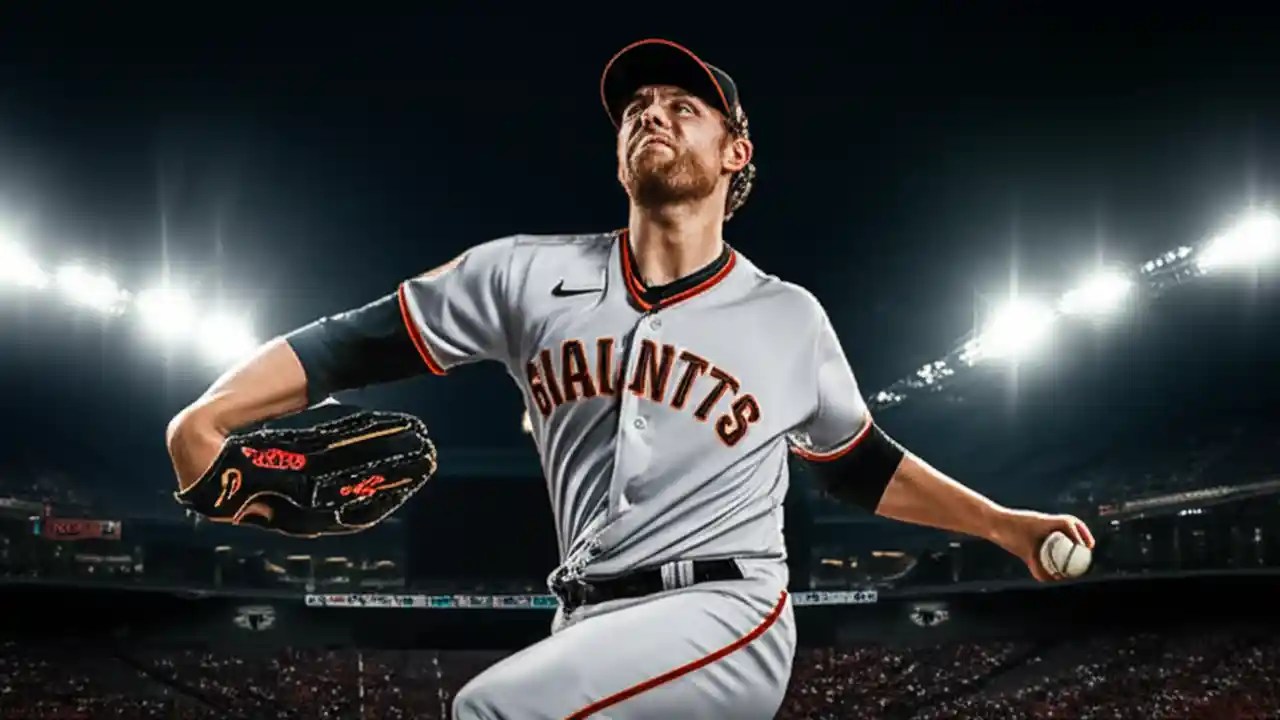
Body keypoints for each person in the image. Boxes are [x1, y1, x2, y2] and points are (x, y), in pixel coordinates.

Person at [166, 38, 1095, 720]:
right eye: (636, 107)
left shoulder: (788, 317)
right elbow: (351, 345)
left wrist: (1005, 527)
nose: (651, 111)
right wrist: (208, 417)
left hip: (727, 611)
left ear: (736, 154)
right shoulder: (523, 276)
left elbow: (859, 464)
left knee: (494, 713)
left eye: (682, 105)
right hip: (582, 618)